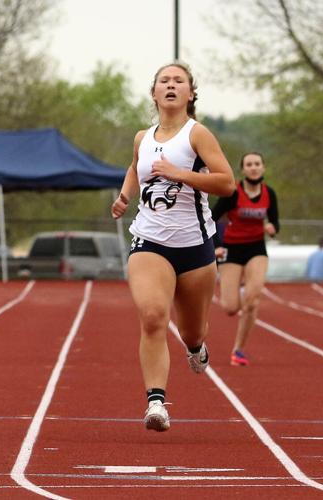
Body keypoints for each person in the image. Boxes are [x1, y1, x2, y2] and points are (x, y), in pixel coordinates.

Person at [111, 62, 235, 432]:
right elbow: (136, 166)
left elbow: (227, 183)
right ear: (153, 93)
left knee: (192, 331)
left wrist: (180, 174)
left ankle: (196, 349)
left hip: (195, 246)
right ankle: (156, 402)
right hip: (150, 240)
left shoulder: (198, 135)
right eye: (164, 81)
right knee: (152, 316)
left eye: (178, 81)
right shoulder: (142, 137)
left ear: (190, 93)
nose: (170, 86)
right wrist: (124, 196)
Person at [211, 152, 279, 367]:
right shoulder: (232, 193)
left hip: (256, 249)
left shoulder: (270, 193)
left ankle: (238, 349)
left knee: (253, 300)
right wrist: (216, 246)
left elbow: (276, 223)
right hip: (232, 249)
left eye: (257, 164)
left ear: (263, 167)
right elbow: (210, 218)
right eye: (249, 164)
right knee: (230, 307)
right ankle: (241, 291)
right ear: (243, 169)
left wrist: (272, 228)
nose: (253, 167)